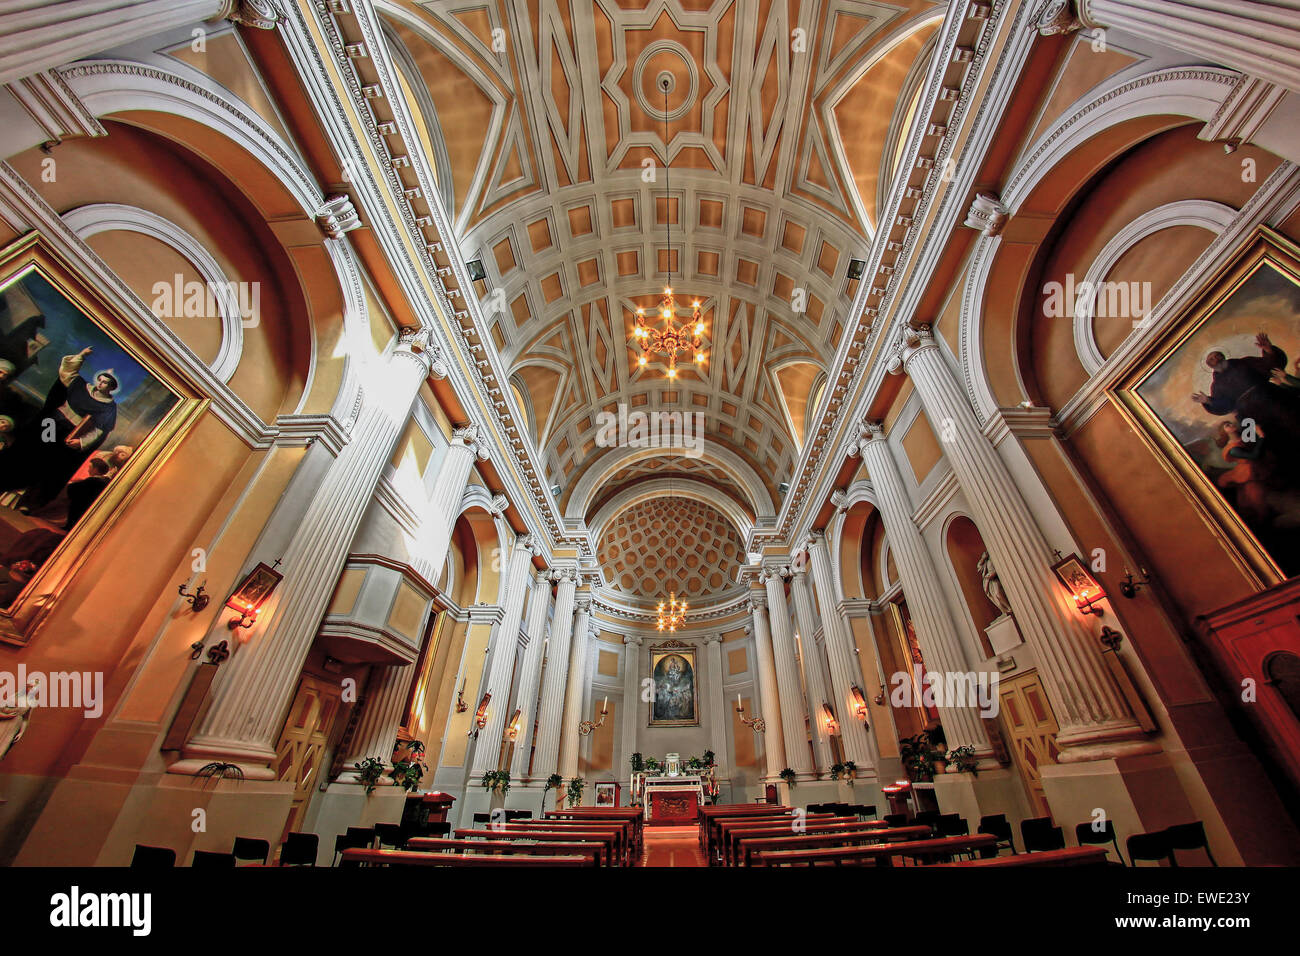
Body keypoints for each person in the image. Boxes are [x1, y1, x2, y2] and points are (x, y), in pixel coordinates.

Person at [8, 347, 118, 509]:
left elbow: (100, 430)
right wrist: (81, 356)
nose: (100, 383)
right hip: (52, 423)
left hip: (71, 434)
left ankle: (28, 503)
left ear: (111, 387)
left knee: (52, 466)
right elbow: (67, 372)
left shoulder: (109, 407)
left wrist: (81, 442)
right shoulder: (81, 386)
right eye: (100, 380)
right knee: (35, 452)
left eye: (105, 382)